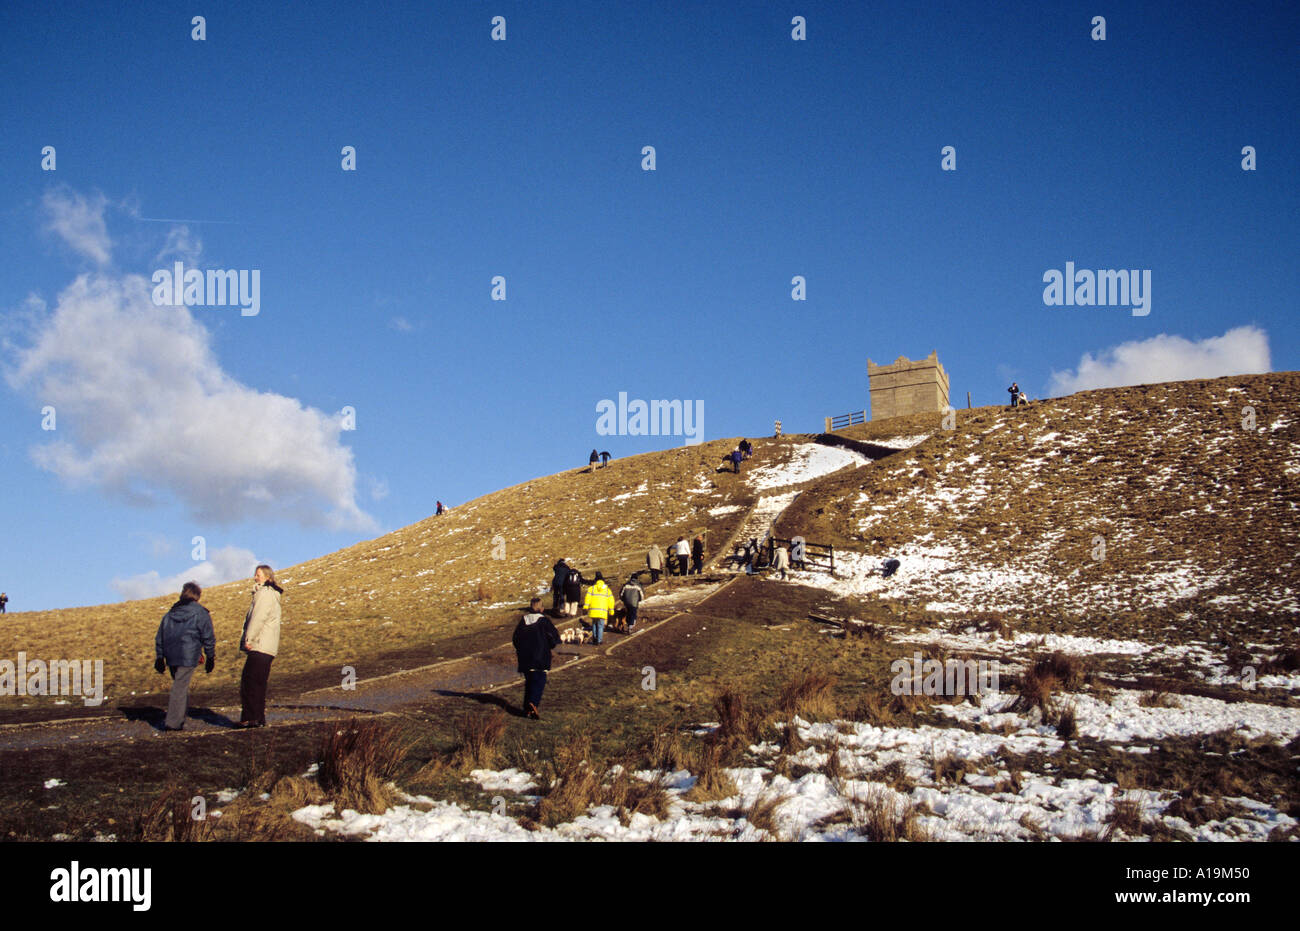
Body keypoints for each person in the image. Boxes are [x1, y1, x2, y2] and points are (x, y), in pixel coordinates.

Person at [153, 581, 216, 732]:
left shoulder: (170, 613)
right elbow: (208, 636)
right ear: (197, 595)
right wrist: (210, 657)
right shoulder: (201, 612)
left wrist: (160, 657)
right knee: (180, 687)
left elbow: (160, 636)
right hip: (189, 653)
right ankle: (173, 722)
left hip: (171, 655)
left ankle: (178, 719)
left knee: (180, 685)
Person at [238, 564, 283, 729]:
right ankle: (258, 718)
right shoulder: (271, 595)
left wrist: (249, 638)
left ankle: (251, 718)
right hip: (267, 646)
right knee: (258, 682)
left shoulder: (264, 594)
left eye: (259, 575)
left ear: (268, 577)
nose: (255, 577)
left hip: (260, 645)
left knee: (250, 682)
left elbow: (258, 618)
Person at [512, 597, 560, 719]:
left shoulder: (523, 620)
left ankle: (527, 708)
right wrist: (550, 646)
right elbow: (553, 637)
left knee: (529, 682)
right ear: (541, 608)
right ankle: (533, 703)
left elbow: (515, 639)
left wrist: (521, 650)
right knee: (539, 681)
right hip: (540, 656)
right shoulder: (544, 621)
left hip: (525, 657)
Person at [582, 572, 615, 645]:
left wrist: (586, 607)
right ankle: (599, 641)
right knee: (600, 626)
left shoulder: (591, 589)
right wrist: (611, 610)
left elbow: (587, 598)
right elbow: (611, 600)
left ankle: (594, 638)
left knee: (594, 624)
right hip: (602, 611)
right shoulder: (607, 590)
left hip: (593, 610)